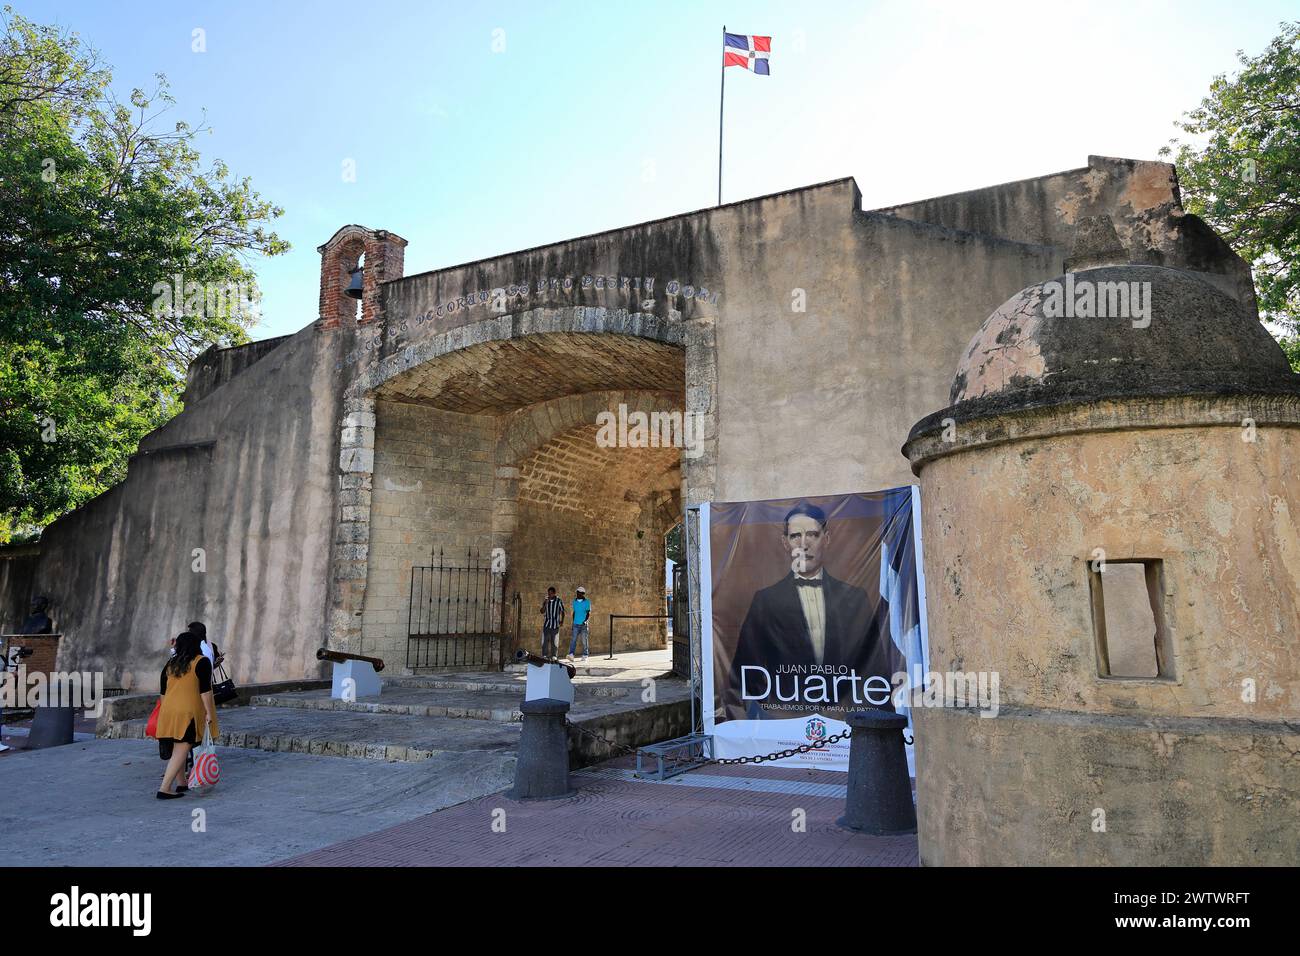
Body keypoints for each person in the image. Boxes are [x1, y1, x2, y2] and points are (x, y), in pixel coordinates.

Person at [726, 502, 893, 720]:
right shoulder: (764, 601)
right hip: (785, 723)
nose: (803, 544)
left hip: (846, 723)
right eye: (795, 536)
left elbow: (876, 670)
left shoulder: (856, 597)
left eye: (813, 534)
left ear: (827, 538)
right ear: (785, 542)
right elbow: (744, 675)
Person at [155, 632, 219, 799]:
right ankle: (164, 788)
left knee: (178, 745)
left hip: (168, 710)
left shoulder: (171, 664)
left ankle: (181, 783)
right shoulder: (201, 662)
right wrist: (209, 713)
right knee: (181, 749)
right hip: (188, 712)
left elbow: (163, 691)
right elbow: (205, 692)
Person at [567, 586, 591, 661]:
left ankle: (585, 655)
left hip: (584, 624)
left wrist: (585, 621)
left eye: (579, 593)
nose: (577, 594)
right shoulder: (574, 602)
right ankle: (571, 654)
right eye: (577, 592)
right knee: (573, 640)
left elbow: (588, 613)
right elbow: (574, 612)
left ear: (583, 594)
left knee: (584, 640)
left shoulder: (587, 602)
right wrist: (573, 622)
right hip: (576, 624)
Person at [539, 587, 564, 659]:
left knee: (554, 641)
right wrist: (545, 604)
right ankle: (544, 655)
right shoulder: (546, 601)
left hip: (555, 624)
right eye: (548, 593)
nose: (549, 595)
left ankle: (554, 655)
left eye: (550, 593)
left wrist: (562, 621)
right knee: (545, 641)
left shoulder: (559, 601)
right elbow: (542, 611)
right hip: (547, 624)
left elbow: (562, 611)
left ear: (554, 593)